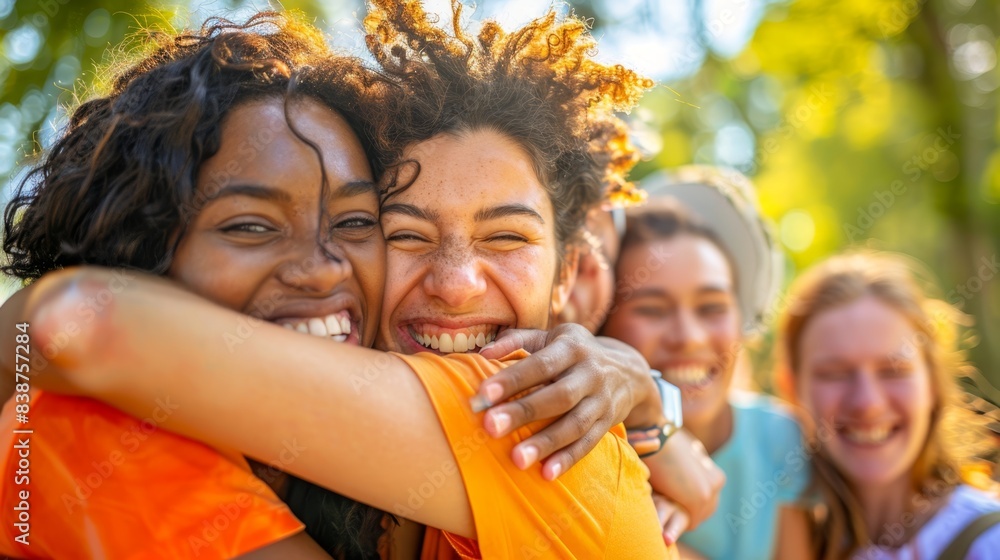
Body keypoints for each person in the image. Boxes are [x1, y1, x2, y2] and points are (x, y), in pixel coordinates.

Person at [0, 4, 682, 559]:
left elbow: (78, 324)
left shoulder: (545, 436)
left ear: (570, 273)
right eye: (403, 233)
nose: (455, 285)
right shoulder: (77, 441)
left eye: (353, 222)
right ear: (141, 250)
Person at [600, 167, 808, 560]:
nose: (689, 337)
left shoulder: (779, 438)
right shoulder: (592, 448)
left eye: (712, 307)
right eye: (652, 309)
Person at [774, 252, 1000, 560]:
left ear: (933, 382)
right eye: (834, 374)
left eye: (893, 371)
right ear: (792, 389)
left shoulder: (987, 544)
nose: (868, 403)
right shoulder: (769, 543)